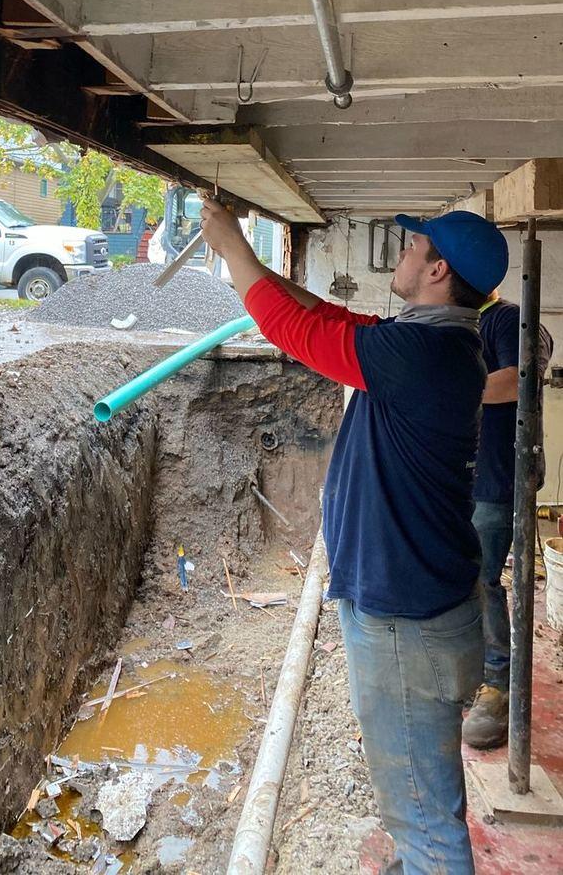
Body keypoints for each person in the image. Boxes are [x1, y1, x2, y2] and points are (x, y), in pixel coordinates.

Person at [199, 203, 509, 875]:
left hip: (406, 622)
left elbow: (292, 330)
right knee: (418, 790)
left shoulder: (418, 354)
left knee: (426, 818)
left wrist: (232, 247)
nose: (401, 253)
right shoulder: (435, 342)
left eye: (413, 246)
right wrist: (258, 270)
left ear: (438, 270)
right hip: (420, 609)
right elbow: (327, 316)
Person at [462, 298, 553, 749]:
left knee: (483, 579)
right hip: (461, 477)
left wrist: (444, 385)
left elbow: (520, 379)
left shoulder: (508, 319)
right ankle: (470, 671)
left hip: (497, 479)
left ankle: (498, 683)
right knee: (461, 576)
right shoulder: (457, 326)